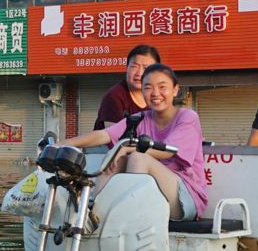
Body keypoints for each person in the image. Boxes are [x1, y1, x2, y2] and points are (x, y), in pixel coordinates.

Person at [65, 64, 206, 222]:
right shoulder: (140, 118)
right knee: (116, 157)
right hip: (153, 197)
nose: (155, 93)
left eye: (162, 87)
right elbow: (104, 134)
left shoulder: (187, 117)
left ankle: (130, 219)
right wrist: (62, 144)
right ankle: (94, 213)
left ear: (175, 89)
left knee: (138, 158)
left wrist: (127, 149)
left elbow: (169, 150)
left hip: (184, 198)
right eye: (148, 87)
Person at [93, 44, 161, 130]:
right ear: (127, 68)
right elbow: (113, 137)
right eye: (134, 66)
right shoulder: (114, 97)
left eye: (146, 68)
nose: (139, 73)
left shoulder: (156, 97)